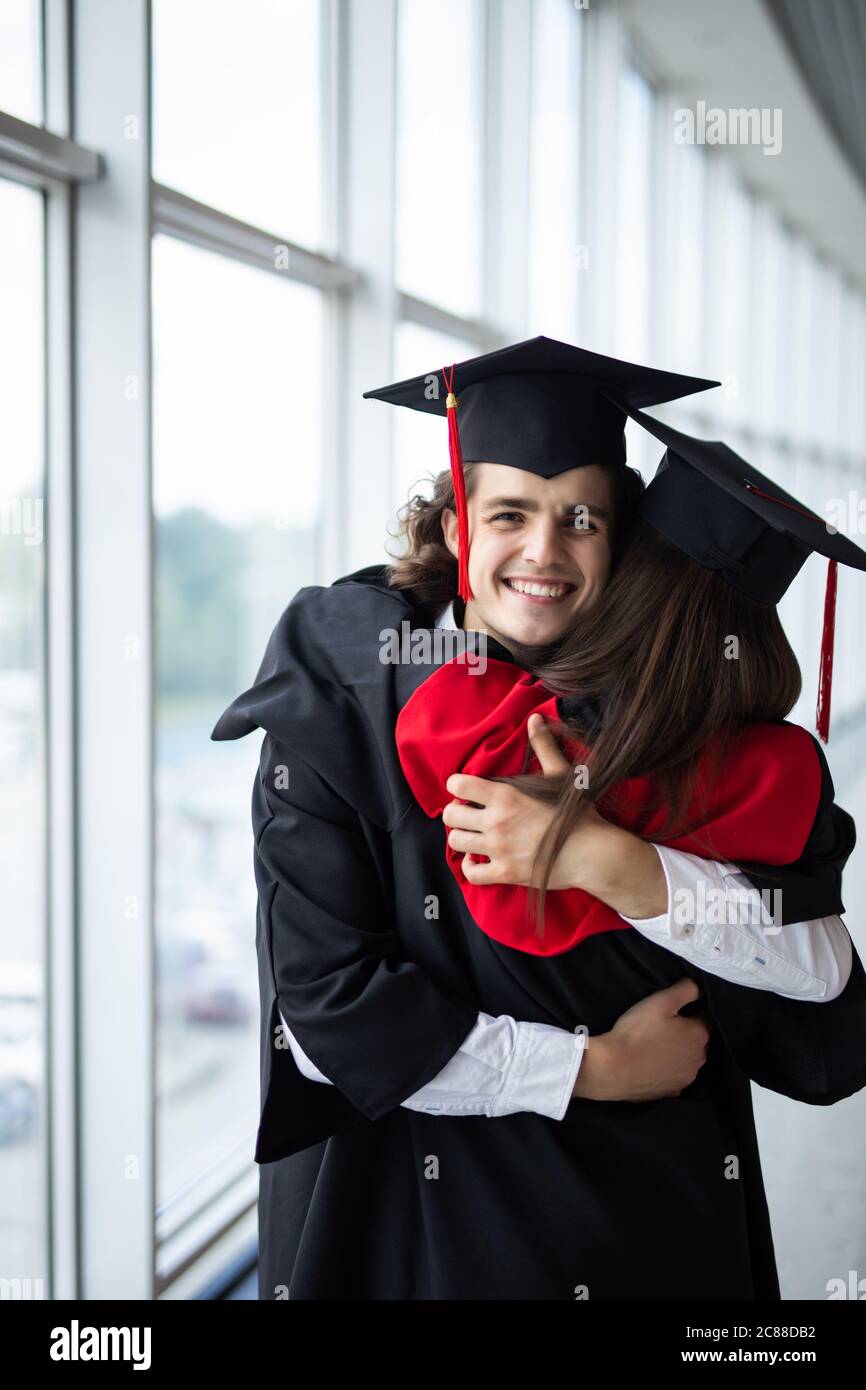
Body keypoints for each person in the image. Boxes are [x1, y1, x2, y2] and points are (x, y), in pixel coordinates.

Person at [211, 339, 857, 1299]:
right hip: (410, 1224)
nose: (544, 553)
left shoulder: (677, 722)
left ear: (622, 541)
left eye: (582, 520)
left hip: (651, 1223)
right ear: (457, 526)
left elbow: (823, 984)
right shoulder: (336, 697)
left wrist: (615, 862)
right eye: (509, 513)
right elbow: (323, 1022)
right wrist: (588, 1069)